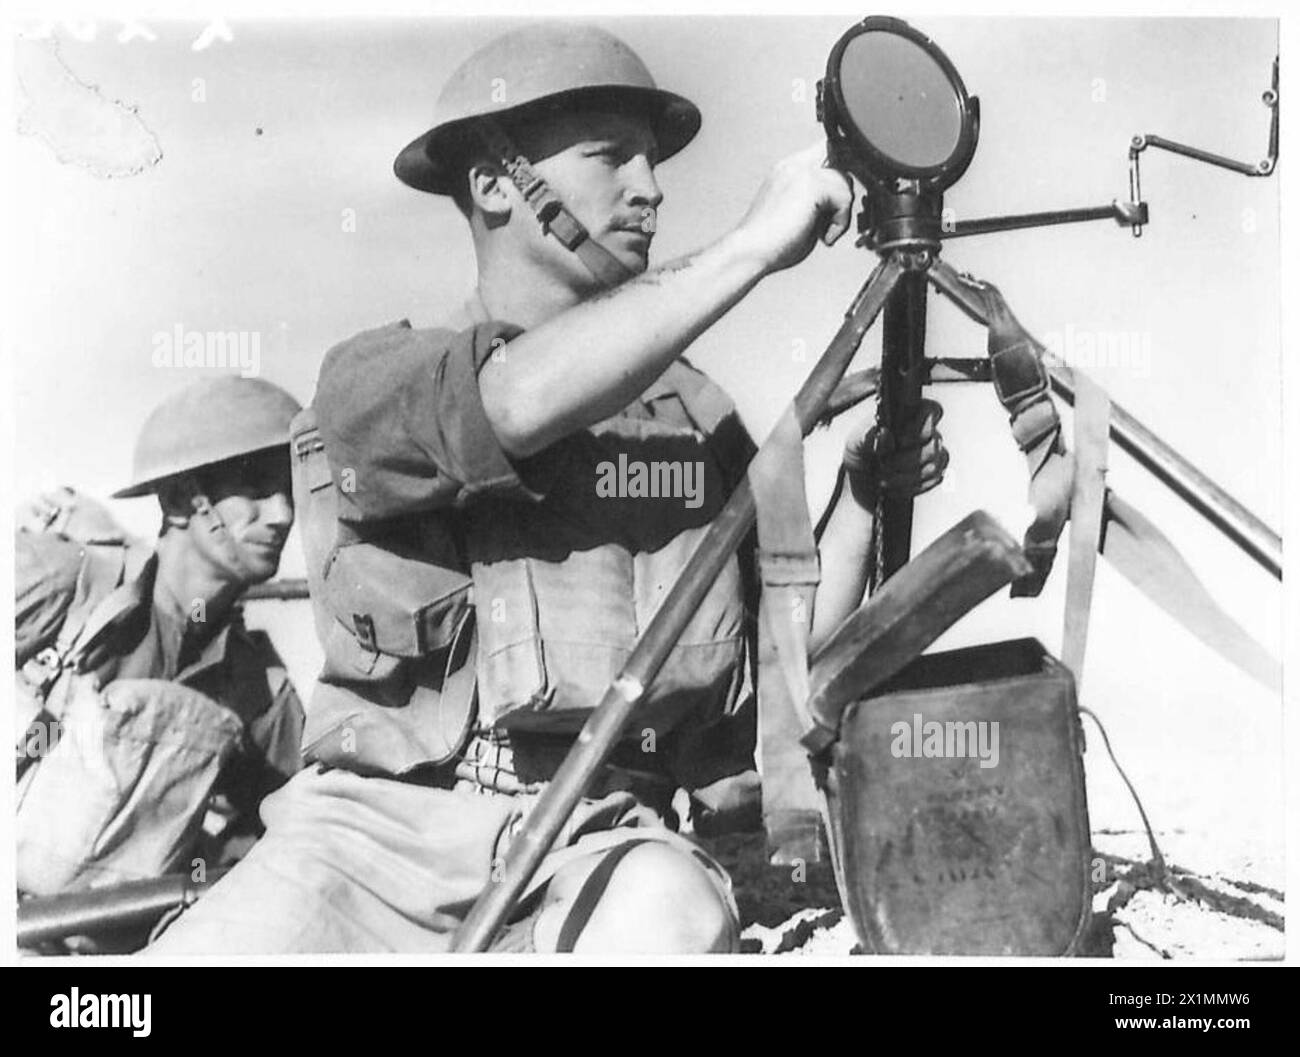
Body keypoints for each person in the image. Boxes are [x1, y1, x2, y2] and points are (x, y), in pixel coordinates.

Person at [148, 22, 945, 955]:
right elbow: (513, 404)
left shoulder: (699, 422)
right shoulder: (378, 378)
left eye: (653, 163)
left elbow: (777, 686)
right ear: (493, 184)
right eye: (610, 157)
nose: (649, 189)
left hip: (594, 834)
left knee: (668, 920)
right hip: (369, 838)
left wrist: (857, 495)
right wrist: (750, 248)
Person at [15, 376, 306, 949]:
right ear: (178, 501)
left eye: (290, 488)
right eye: (253, 486)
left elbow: (296, 825)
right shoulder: (68, 582)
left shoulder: (256, 684)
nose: (282, 513)